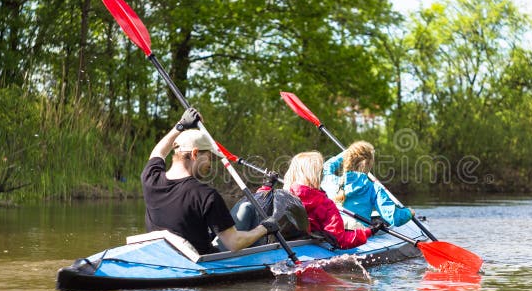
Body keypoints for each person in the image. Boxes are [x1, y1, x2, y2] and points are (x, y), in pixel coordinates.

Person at [141, 108, 281, 254]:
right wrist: (264, 228)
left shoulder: (151, 179)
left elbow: (159, 152)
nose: (210, 164)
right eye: (209, 157)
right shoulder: (206, 195)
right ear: (195, 154)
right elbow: (234, 243)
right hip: (201, 263)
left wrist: (180, 126)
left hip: (162, 256)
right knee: (249, 209)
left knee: (245, 208)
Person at [282, 151, 382, 249]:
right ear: (318, 175)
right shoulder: (325, 204)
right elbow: (340, 240)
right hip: (313, 250)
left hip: (284, 245)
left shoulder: (284, 195)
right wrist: (369, 231)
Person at [321, 141, 413, 229]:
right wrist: (409, 212)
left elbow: (327, 166)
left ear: (348, 159)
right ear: (368, 164)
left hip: (333, 230)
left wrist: (346, 153)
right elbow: (395, 218)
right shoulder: (373, 188)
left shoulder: (330, 180)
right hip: (358, 233)